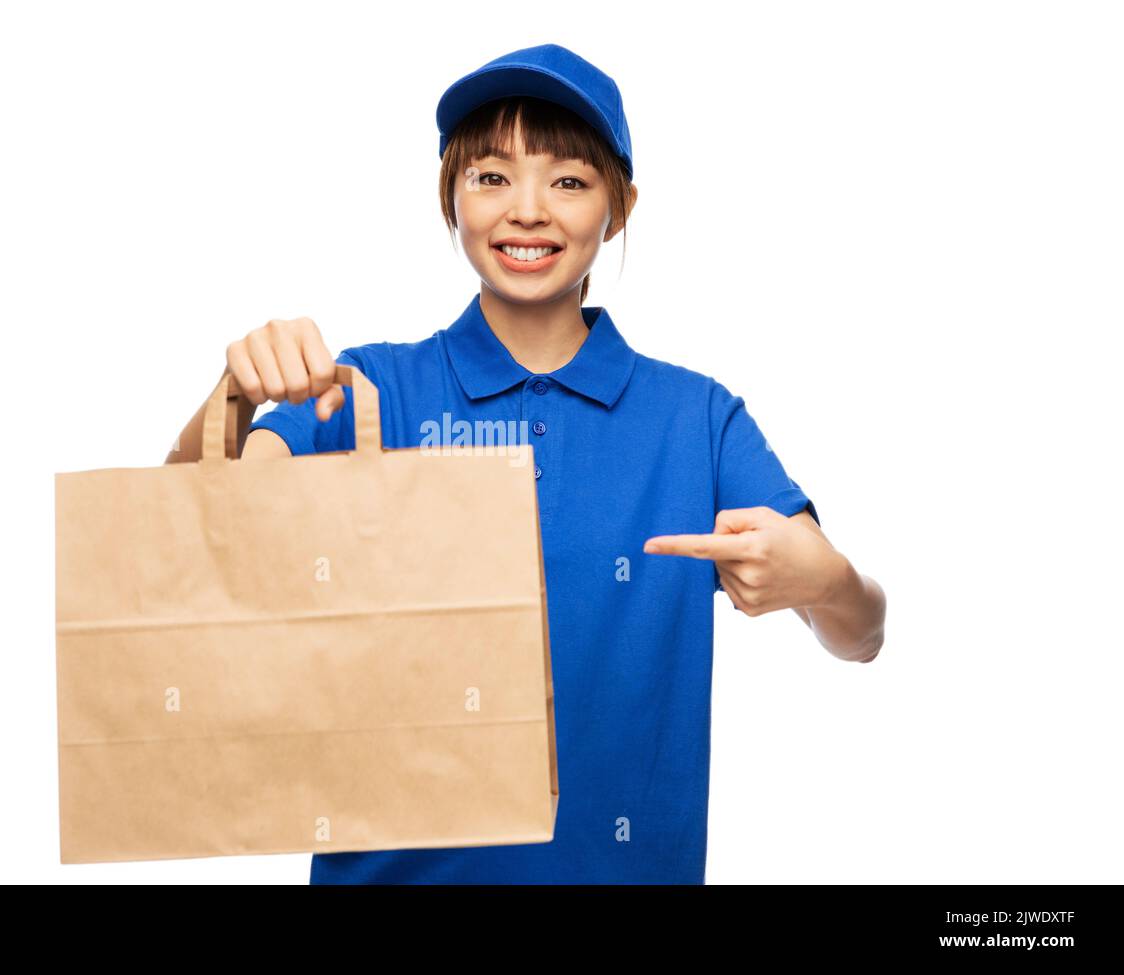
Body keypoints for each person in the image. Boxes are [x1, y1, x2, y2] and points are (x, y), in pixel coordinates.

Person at [166, 43, 886, 884]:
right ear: (452, 198)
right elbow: (182, 548)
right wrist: (233, 395)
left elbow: (863, 632)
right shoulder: (368, 392)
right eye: (492, 177)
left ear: (620, 208)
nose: (529, 211)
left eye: (569, 181)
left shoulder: (698, 419)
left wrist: (824, 581)